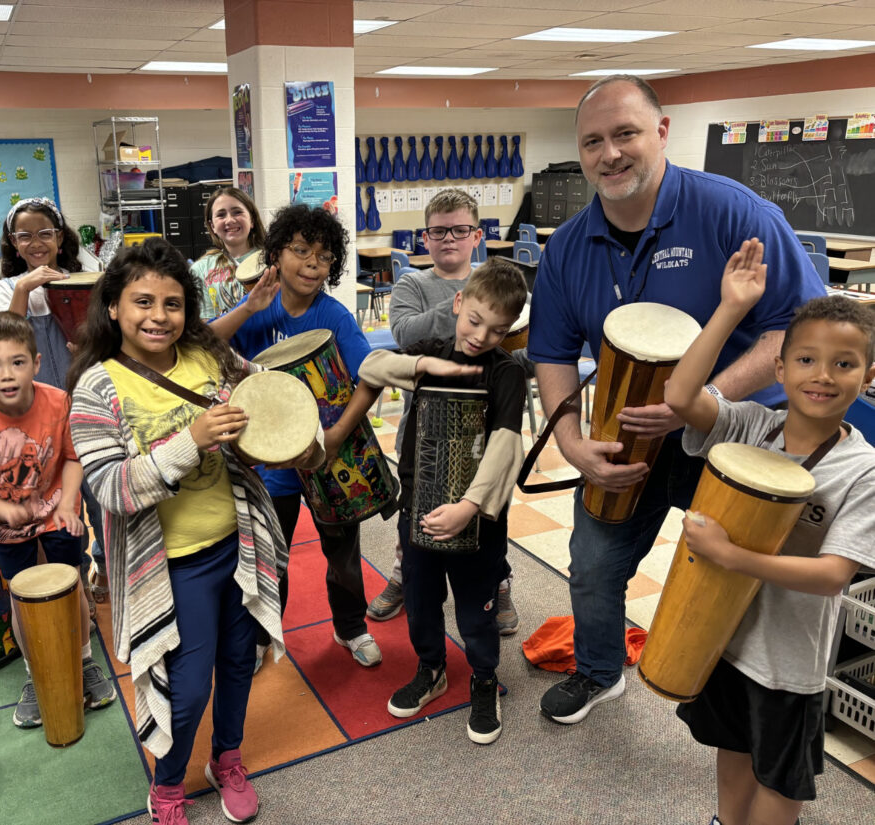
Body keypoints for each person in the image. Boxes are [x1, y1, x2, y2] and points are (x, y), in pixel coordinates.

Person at [528, 74, 826, 725]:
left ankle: (736, 696)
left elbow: (797, 331)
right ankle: (601, 671)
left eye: (626, 133)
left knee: (731, 580)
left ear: (662, 132)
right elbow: (550, 352)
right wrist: (573, 443)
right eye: (593, 141)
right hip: (624, 437)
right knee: (592, 564)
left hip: (735, 440)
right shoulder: (569, 248)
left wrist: (706, 400)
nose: (610, 153)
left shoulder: (736, 215)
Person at [67, 239, 308, 825]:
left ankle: (227, 758)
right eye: (142, 302)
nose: (158, 316)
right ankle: (167, 783)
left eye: (172, 304)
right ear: (115, 308)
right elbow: (110, 489)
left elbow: (261, 404)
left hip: (238, 543)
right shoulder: (96, 388)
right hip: (172, 563)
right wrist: (191, 440)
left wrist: (294, 437)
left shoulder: (207, 355)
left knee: (238, 663)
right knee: (188, 684)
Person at [663, 239, 875, 825]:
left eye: (844, 363)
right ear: (779, 367)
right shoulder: (752, 423)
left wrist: (732, 556)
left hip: (788, 662)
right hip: (728, 639)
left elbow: (833, 577)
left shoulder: (863, 470)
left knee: (780, 782)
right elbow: (680, 396)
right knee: (731, 750)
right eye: (805, 360)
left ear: (868, 373)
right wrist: (730, 309)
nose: (823, 377)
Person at [331, 258, 528, 744]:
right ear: (458, 304)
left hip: (476, 518)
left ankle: (484, 679)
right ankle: (432, 668)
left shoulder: (506, 373)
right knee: (420, 597)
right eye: (475, 321)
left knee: (476, 606)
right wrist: (422, 365)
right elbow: (370, 366)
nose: (481, 337)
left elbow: (505, 444)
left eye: (497, 331)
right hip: (420, 503)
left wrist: (470, 506)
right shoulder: (432, 351)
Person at [211, 204, 383, 671]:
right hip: (270, 462)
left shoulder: (335, 315)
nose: (312, 263)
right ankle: (264, 634)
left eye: (324, 257)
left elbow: (370, 377)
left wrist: (335, 435)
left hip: (330, 457)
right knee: (271, 556)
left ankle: (351, 627)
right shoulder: (255, 309)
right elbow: (201, 347)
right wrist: (248, 308)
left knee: (343, 552)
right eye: (301, 251)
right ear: (276, 254)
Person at [0, 311, 115, 729]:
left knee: (71, 585)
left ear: (36, 363)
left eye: (17, 362)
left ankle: (84, 661)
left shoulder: (59, 403)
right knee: (23, 599)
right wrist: (4, 510)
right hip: (8, 527)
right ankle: (34, 673)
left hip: (59, 515)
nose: (7, 374)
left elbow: (74, 458)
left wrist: (66, 505)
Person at [367, 188, 520, 637]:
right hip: (425, 430)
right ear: (425, 236)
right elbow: (406, 333)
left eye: (459, 230)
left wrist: (480, 305)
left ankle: (499, 580)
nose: (448, 239)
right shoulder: (414, 283)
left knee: (487, 518)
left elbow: (516, 343)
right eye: (438, 231)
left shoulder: (496, 286)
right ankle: (403, 573)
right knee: (419, 517)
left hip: (484, 430)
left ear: (476, 235)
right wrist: (464, 297)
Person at [0, 197, 105, 609]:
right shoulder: (9, 287)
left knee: (99, 490)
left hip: (86, 401)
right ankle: (69, 574)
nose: (36, 242)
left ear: (60, 237)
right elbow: (7, 338)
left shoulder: (88, 274)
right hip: (40, 413)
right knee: (58, 493)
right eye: (25, 236)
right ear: (13, 243)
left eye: (45, 232)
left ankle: (106, 566)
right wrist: (24, 287)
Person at [190, 187, 266, 320]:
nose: (229, 220)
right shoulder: (201, 269)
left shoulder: (272, 259)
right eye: (221, 215)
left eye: (237, 212)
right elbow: (205, 323)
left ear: (252, 220)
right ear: (212, 226)